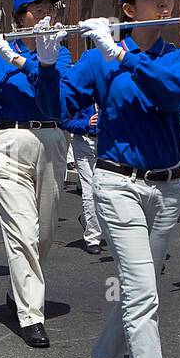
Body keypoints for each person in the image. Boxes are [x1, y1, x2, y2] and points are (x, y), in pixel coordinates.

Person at [64, 0, 180, 358]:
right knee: (144, 291)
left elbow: (172, 94)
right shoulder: (98, 60)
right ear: (127, 8)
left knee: (137, 285)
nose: (164, 2)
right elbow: (57, 105)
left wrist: (122, 54)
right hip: (117, 183)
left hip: (167, 188)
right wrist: (40, 60)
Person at [0, 0, 68, 348]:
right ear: (20, 17)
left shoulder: (60, 53)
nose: (45, 17)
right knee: (22, 230)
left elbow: (59, 101)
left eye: (49, 10)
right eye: (36, 11)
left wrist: (38, 64)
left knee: (45, 232)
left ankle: (18, 288)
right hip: (8, 141)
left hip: (52, 138)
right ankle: (31, 314)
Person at [62, 101, 102, 254]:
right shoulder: (79, 92)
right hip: (85, 142)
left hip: (108, 142)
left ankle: (87, 221)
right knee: (90, 190)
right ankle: (93, 237)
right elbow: (65, 121)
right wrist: (86, 123)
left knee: (107, 190)